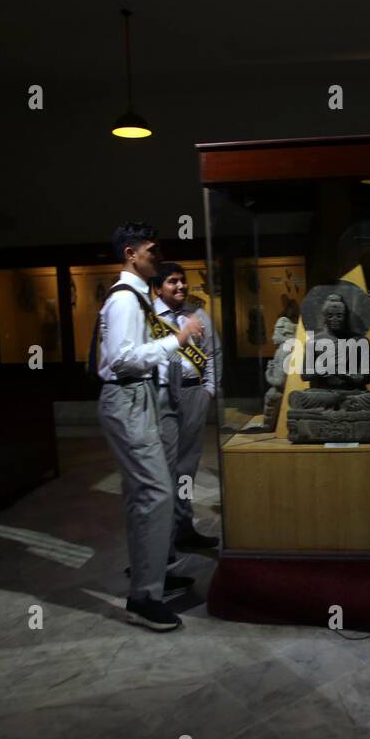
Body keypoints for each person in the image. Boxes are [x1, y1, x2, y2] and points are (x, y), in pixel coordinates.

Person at [91, 222, 203, 632]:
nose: (157, 256)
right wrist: (179, 339)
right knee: (155, 493)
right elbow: (122, 360)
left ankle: (153, 576)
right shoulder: (124, 301)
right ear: (130, 254)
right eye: (152, 251)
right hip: (127, 397)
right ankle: (144, 596)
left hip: (137, 398)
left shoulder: (135, 298)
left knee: (146, 494)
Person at [151, 262, 221, 551]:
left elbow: (213, 353)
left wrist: (209, 389)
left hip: (193, 395)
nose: (180, 286)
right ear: (157, 288)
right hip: (162, 395)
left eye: (182, 281)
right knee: (163, 469)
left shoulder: (198, 313)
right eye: (172, 282)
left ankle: (184, 527)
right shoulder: (148, 318)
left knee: (187, 468)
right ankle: (160, 542)